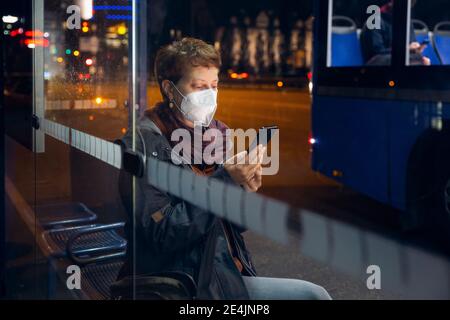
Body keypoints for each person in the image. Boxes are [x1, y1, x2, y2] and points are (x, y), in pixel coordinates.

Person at [116, 37, 331, 300]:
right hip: (182, 285)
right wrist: (225, 180)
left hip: (222, 274)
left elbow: (231, 226)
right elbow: (162, 235)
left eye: (214, 85)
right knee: (313, 296)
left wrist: (243, 188)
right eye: (198, 86)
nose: (209, 94)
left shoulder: (215, 136)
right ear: (170, 90)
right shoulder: (145, 146)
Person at [360, 0, 430, 66]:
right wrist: (405, 49)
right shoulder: (374, 20)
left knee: (423, 60)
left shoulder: (406, 21)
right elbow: (377, 52)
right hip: (378, 62)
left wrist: (416, 49)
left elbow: (411, 45)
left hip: (399, 59)